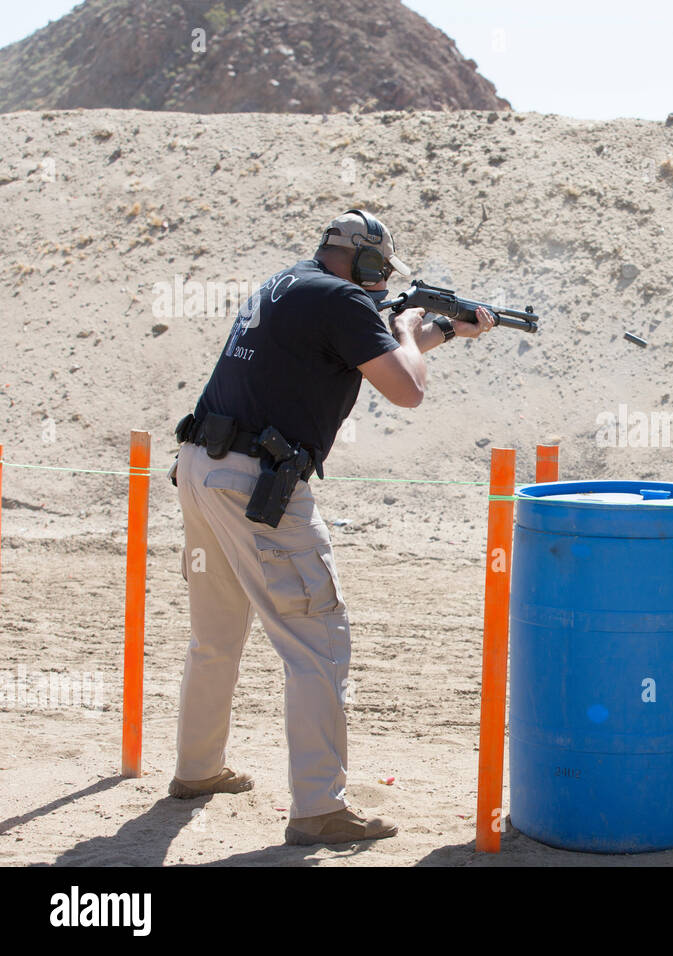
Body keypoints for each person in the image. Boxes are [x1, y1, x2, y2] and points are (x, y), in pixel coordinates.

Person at [167, 209, 496, 846]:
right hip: (257, 485)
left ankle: (197, 769)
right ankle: (318, 807)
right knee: (317, 639)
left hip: (203, 467)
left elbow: (368, 359)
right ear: (364, 262)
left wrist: (440, 333)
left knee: (216, 633)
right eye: (377, 270)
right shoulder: (347, 301)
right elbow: (406, 392)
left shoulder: (289, 285)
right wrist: (402, 324)